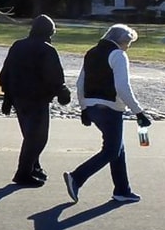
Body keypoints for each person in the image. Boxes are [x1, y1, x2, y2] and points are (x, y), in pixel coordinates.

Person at [63, 24, 152, 204]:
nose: (128, 47)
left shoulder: (91, 52)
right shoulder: (118, 55)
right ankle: (77, 177)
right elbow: (122, 87)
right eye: (128, 43)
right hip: (110, 108)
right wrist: (139, 112)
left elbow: (80, 83)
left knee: (118, 149)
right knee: (111, 150)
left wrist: (84, 108)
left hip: (92, 107)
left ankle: (122, 190)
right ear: (122, 41)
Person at [0, 15, 72, 187]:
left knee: (29, 136)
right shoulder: (47, 50)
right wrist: (62, 92)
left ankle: (33, 167)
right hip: (37, 99)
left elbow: (5, 74)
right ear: (49, 32)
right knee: (38, 138)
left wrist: (7, 98)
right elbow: (54, 77)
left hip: (18, 98)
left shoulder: (18, 46)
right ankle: (23, 172)